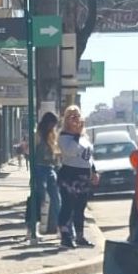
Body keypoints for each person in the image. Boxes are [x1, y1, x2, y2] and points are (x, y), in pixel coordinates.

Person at [56, 106, 98, 249]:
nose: (75, 119)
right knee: (68, 205)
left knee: (80, 207)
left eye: (77, 116)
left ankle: (80, 236)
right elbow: (71, 151)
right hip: (70, 175)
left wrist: (93, 171)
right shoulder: (64, 136)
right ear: (66, 119)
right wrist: (75, 133)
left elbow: (88, 156)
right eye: (72, 116)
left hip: (83, 175)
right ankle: (65, 235)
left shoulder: (84, 137)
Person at [26, 112, 62, 245]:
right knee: (38, 197)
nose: (52, 127)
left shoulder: (53, 135)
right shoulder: (38, 134)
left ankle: (61, 228)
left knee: (56, 198)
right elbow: (30, 150)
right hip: (39, 168)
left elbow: (56, 151)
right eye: (51, 124)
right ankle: (32, 228)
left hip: (50, 168)